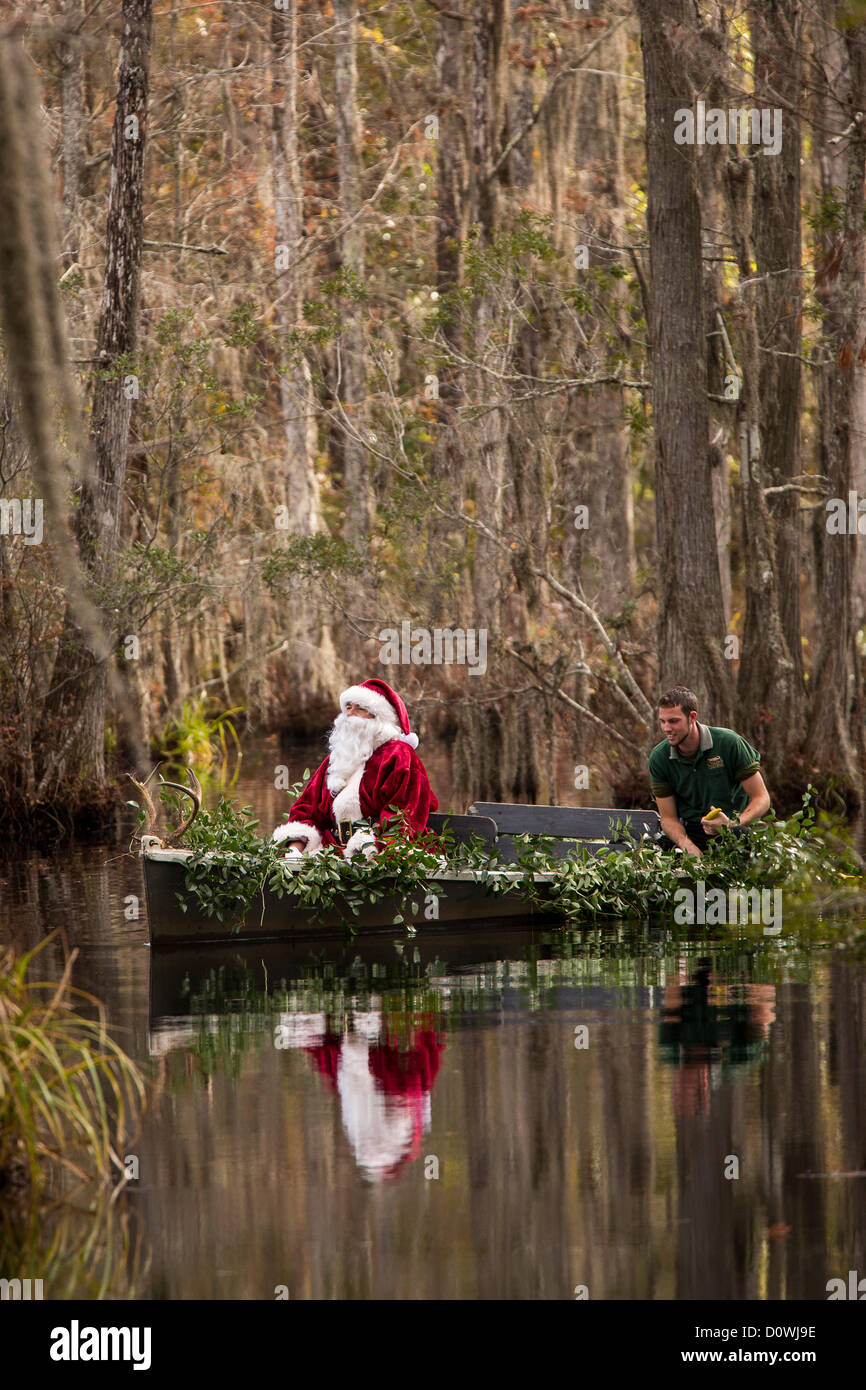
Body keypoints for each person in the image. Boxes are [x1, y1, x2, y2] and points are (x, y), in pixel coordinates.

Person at [272, 678, 438, 859]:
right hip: (333, 851)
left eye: (360, 708)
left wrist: (365, 850)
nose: (350, 714)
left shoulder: (399, 755)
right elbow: (307, 810)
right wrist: (295, 850)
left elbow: (403, 820)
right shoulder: (338, 759)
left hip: (386, 853)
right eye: (348, 707)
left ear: (379, 718)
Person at [648, 685, 771, 858]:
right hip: (690, 831)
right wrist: (686, 845)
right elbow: (668, 819)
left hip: (735, 829)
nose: (667, 728)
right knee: (650, 849)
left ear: (692, 717)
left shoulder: (729, 742)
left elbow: (762, 798)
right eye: (663, 721)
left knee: (743, 839)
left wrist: (731, 824)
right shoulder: (659, 757)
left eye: (674, 721)